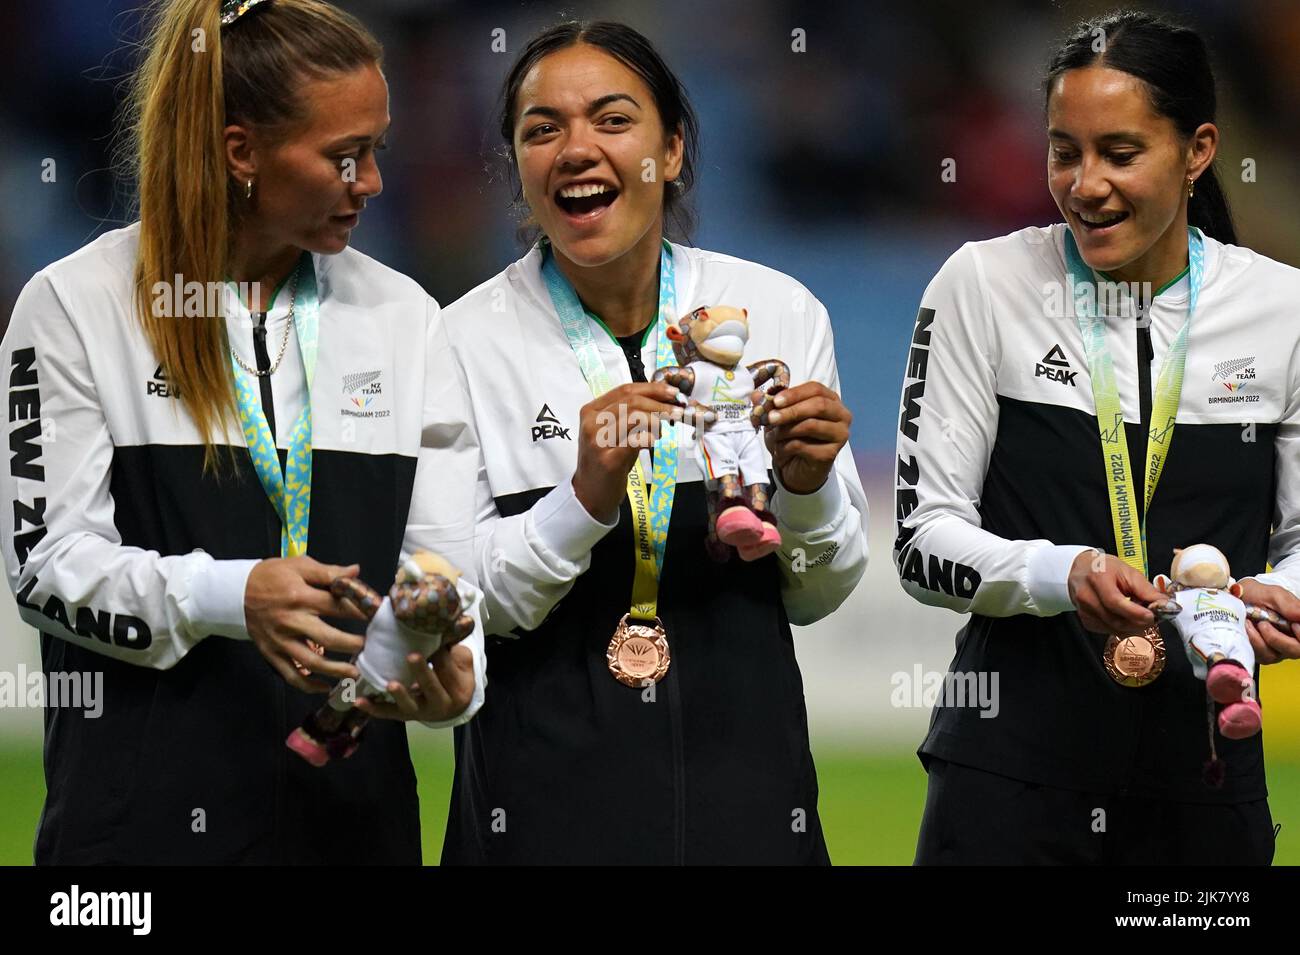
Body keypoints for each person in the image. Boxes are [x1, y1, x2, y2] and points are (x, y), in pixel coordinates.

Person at [0, 0, 483, 864]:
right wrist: (234, 595)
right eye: (345, 155)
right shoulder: (77, 304)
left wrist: (441, 665)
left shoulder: (406, 317)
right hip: (136, 842)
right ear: (241, 152)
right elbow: (44, 568)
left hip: (357, 832)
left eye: (378, 149)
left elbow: (441, 567)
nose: (371, 181)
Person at [437, 20, 869, 865]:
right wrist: (582, 499)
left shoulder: (779, 309)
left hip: (752, 820)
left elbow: (818, 591)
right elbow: (459, 606)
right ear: (519, 173)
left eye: (611, 119)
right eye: (542, 129)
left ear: (670, 151)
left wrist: (810, 488)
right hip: (537, 827)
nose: (575, 149)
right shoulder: (456, 342)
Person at [895, 9, 1300, 865]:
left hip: (1207, 786)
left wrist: (1280, 597)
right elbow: (921, 542)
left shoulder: (1282, 309)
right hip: (1009, 782)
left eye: (1120, 153)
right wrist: (1061, 572)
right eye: (1063, 151)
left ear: (1197, 152)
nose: (1085, 183)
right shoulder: (983, 284)